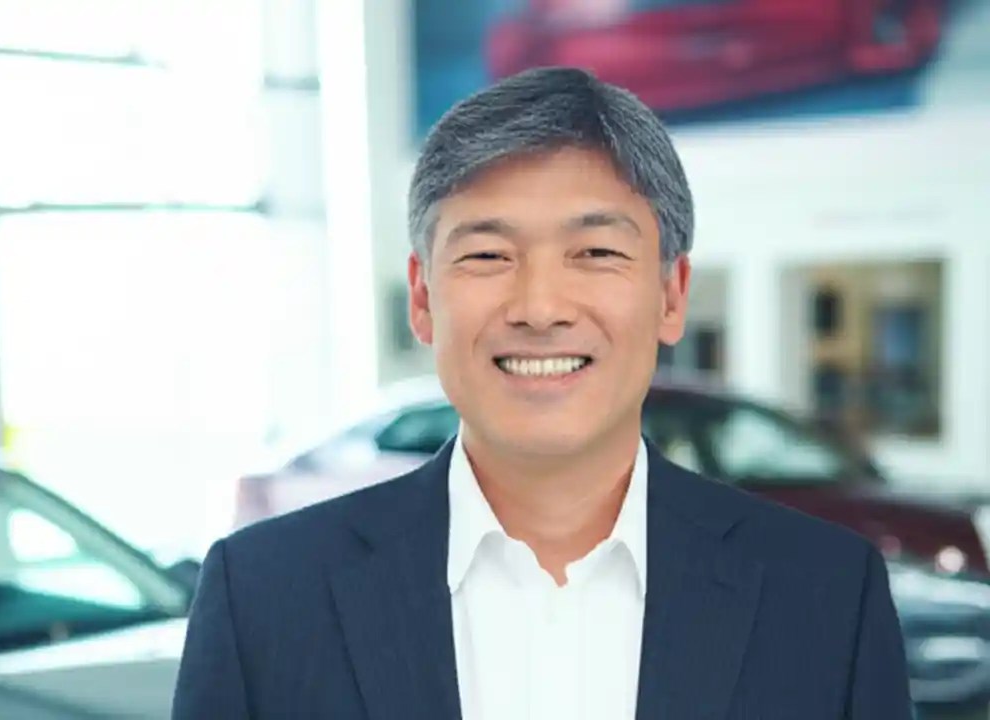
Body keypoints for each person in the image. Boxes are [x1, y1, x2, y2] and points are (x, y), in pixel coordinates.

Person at [172, 67, 912, 719]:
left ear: (670, 295)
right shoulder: (266, 596)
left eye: (594, 252)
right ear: (423, 297)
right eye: (489, 254)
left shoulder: (824, 597)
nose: (540, 306)